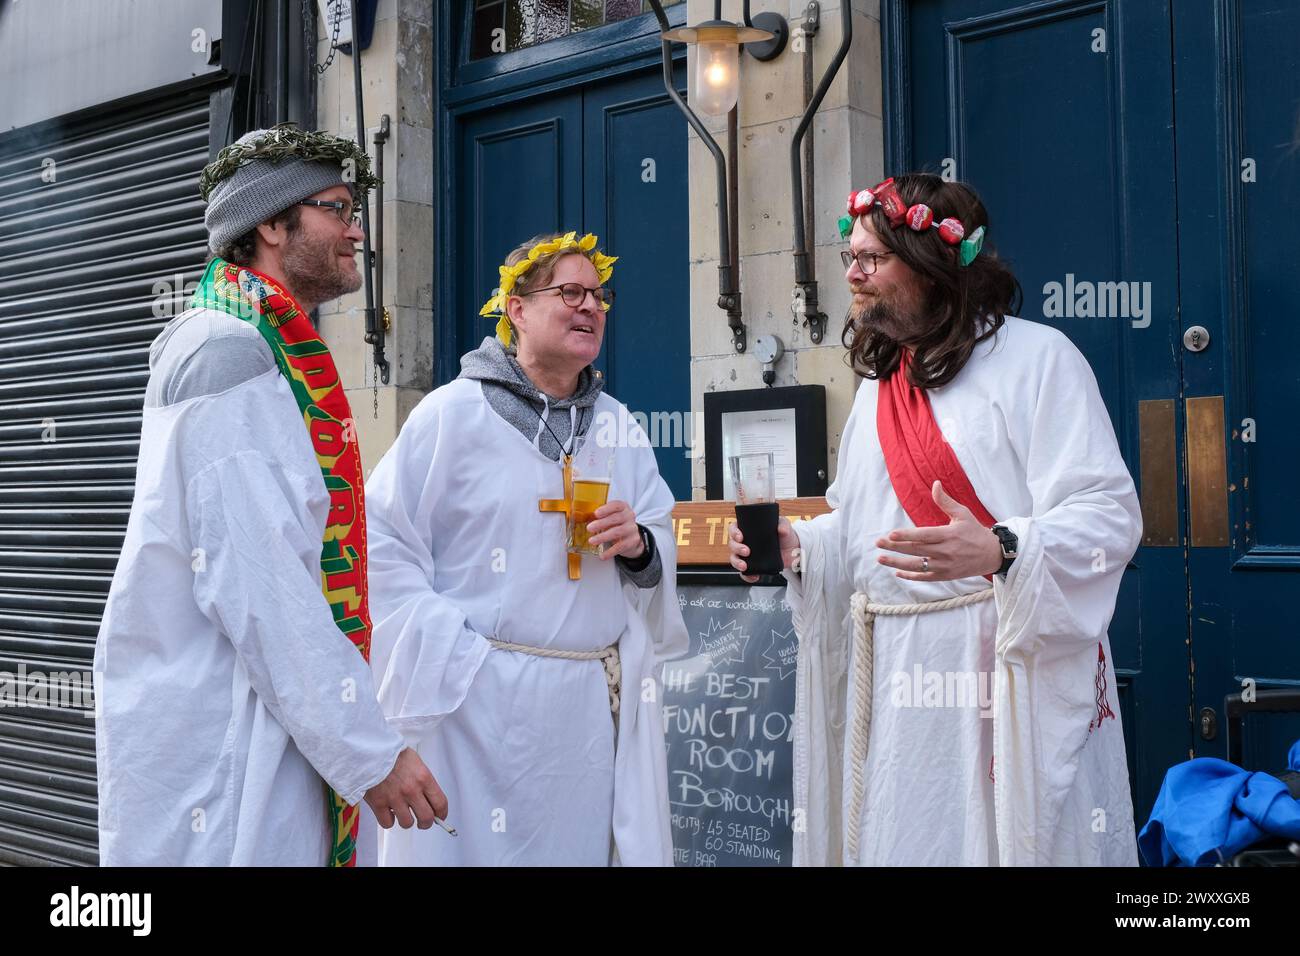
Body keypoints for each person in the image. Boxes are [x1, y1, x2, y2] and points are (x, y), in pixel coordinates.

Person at [729, 173, 1141, 866]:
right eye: (849, 258)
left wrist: (1004, 548)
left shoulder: (1040, 360)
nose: (852, 275)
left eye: (871, 259)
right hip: (899, 675)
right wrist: (804, 547)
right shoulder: (878, 387)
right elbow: (860, 525)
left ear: (934, 263)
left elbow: (1107, 518)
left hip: (999, 665)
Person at [94, 124, 447, 866]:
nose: (357, 230)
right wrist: (369, 750)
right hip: (226, 745)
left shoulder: (260, 346)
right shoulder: (226, 351)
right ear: (271, 225)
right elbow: (258, 580)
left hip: (262, 725)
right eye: (338, 208)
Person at [365, 231, 687, 866]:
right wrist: (451, 653)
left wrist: (640, 547)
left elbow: (660, 538)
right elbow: (381, 541)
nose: (590, 307)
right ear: (515, 309)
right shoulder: (449, 416)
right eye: (569, 292)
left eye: (599, 295)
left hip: (583, 717)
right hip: (472, 710)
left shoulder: (619, 425)